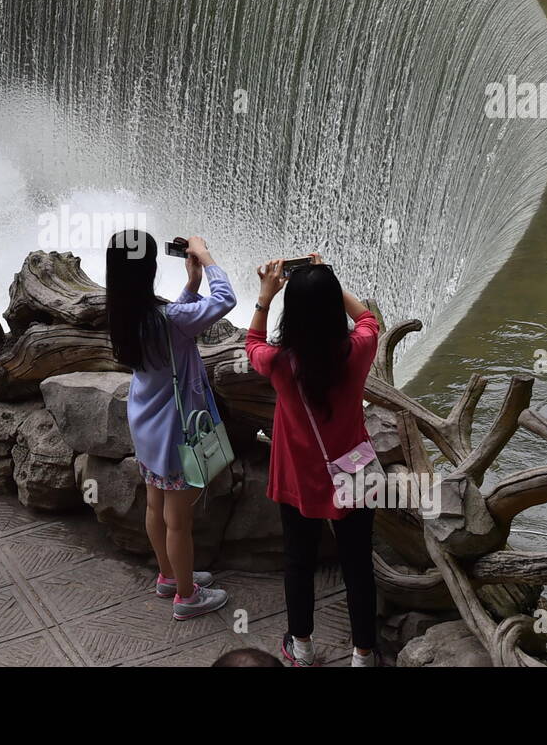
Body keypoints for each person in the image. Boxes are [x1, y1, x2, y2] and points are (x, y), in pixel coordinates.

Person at [245, 254, 380, 667]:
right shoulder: (357, 350)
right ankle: (362, 656)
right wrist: (328, 283)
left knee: (298, 561)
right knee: (358, 565)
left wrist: (266, 296)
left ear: (295, 314)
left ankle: (301, 648)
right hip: (352, 470)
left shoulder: (279, 363)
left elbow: (251, 342)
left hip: (299, 476)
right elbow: (369, 319)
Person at [105, 230, 237, 621]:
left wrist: (191, 284)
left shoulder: (123, 315)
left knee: (155, 503)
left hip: (146, 428)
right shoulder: (168, 319)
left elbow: (170, 328)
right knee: (179, 521)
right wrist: (207, 259)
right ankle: (186, 596)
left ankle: (167, 575)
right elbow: (226, 300)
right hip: (176, 434)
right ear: (148, 270)